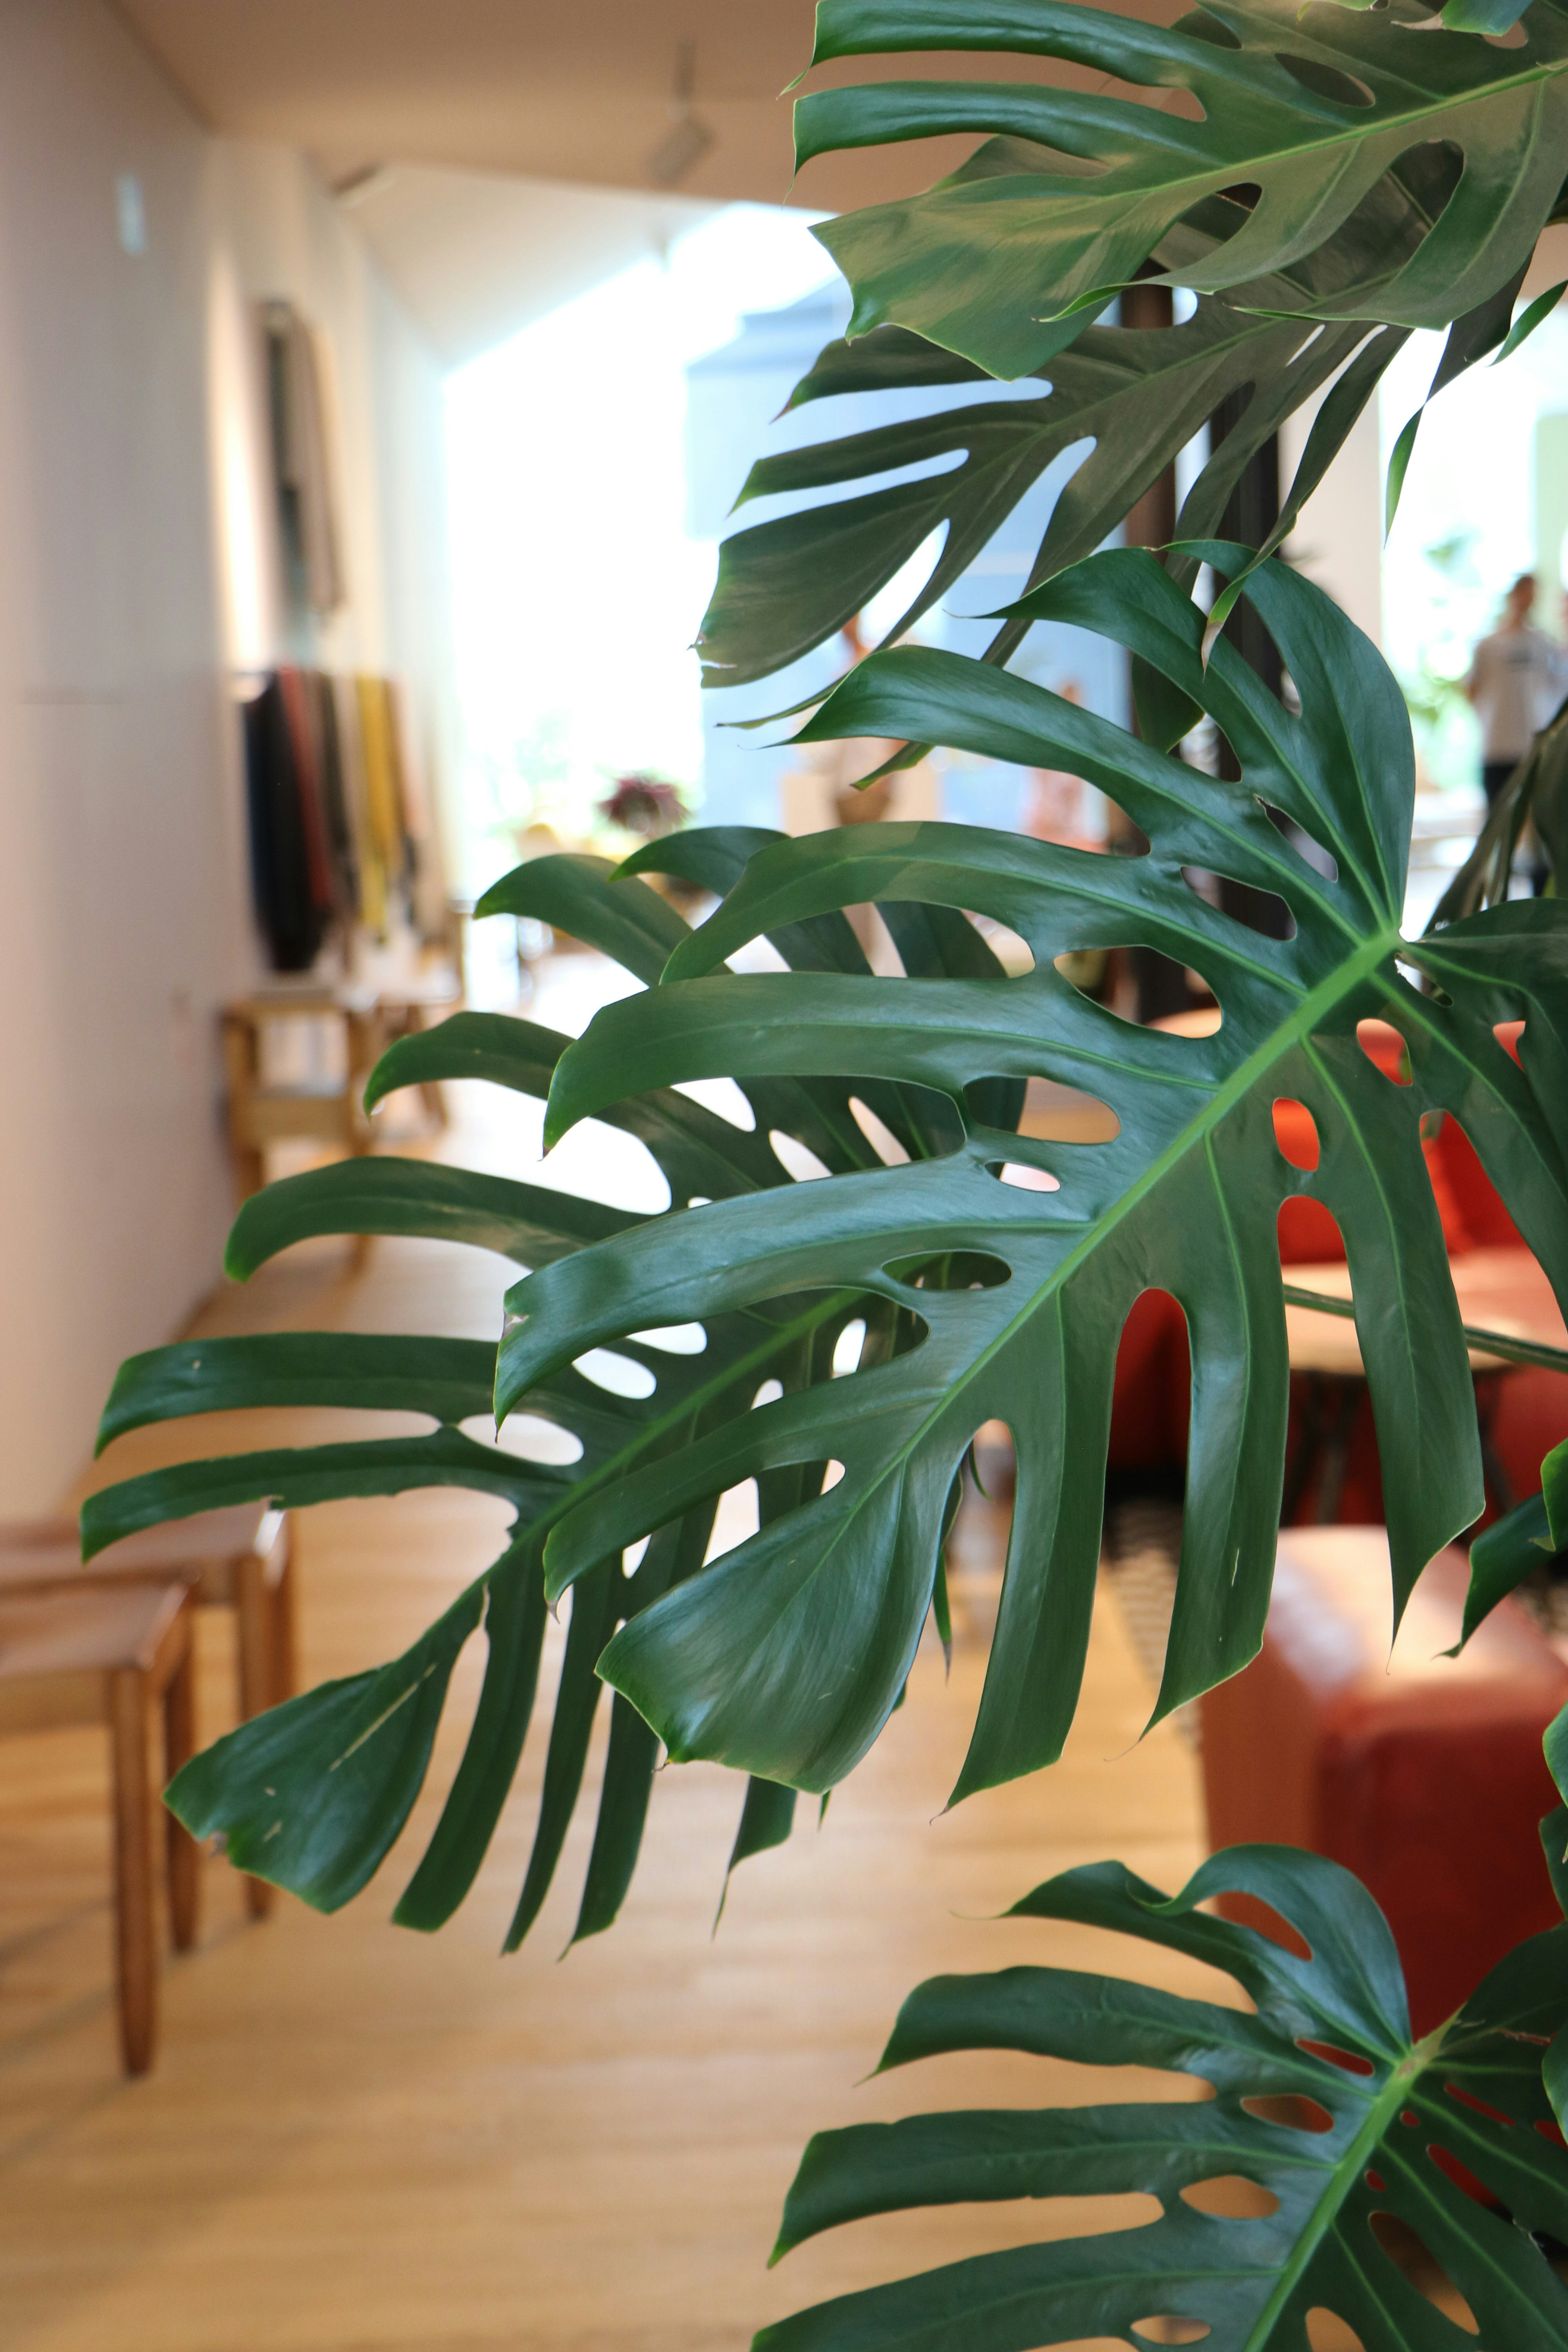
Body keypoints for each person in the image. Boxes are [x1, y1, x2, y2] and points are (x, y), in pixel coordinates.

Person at [1465, 573, 1567, 808]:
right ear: (1514, 595)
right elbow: (1471, 690)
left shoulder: (1543, 645)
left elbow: (1557, 687)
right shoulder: (1488, 646)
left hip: (1531, 747)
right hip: (1497, 746)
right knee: (1496, 814)